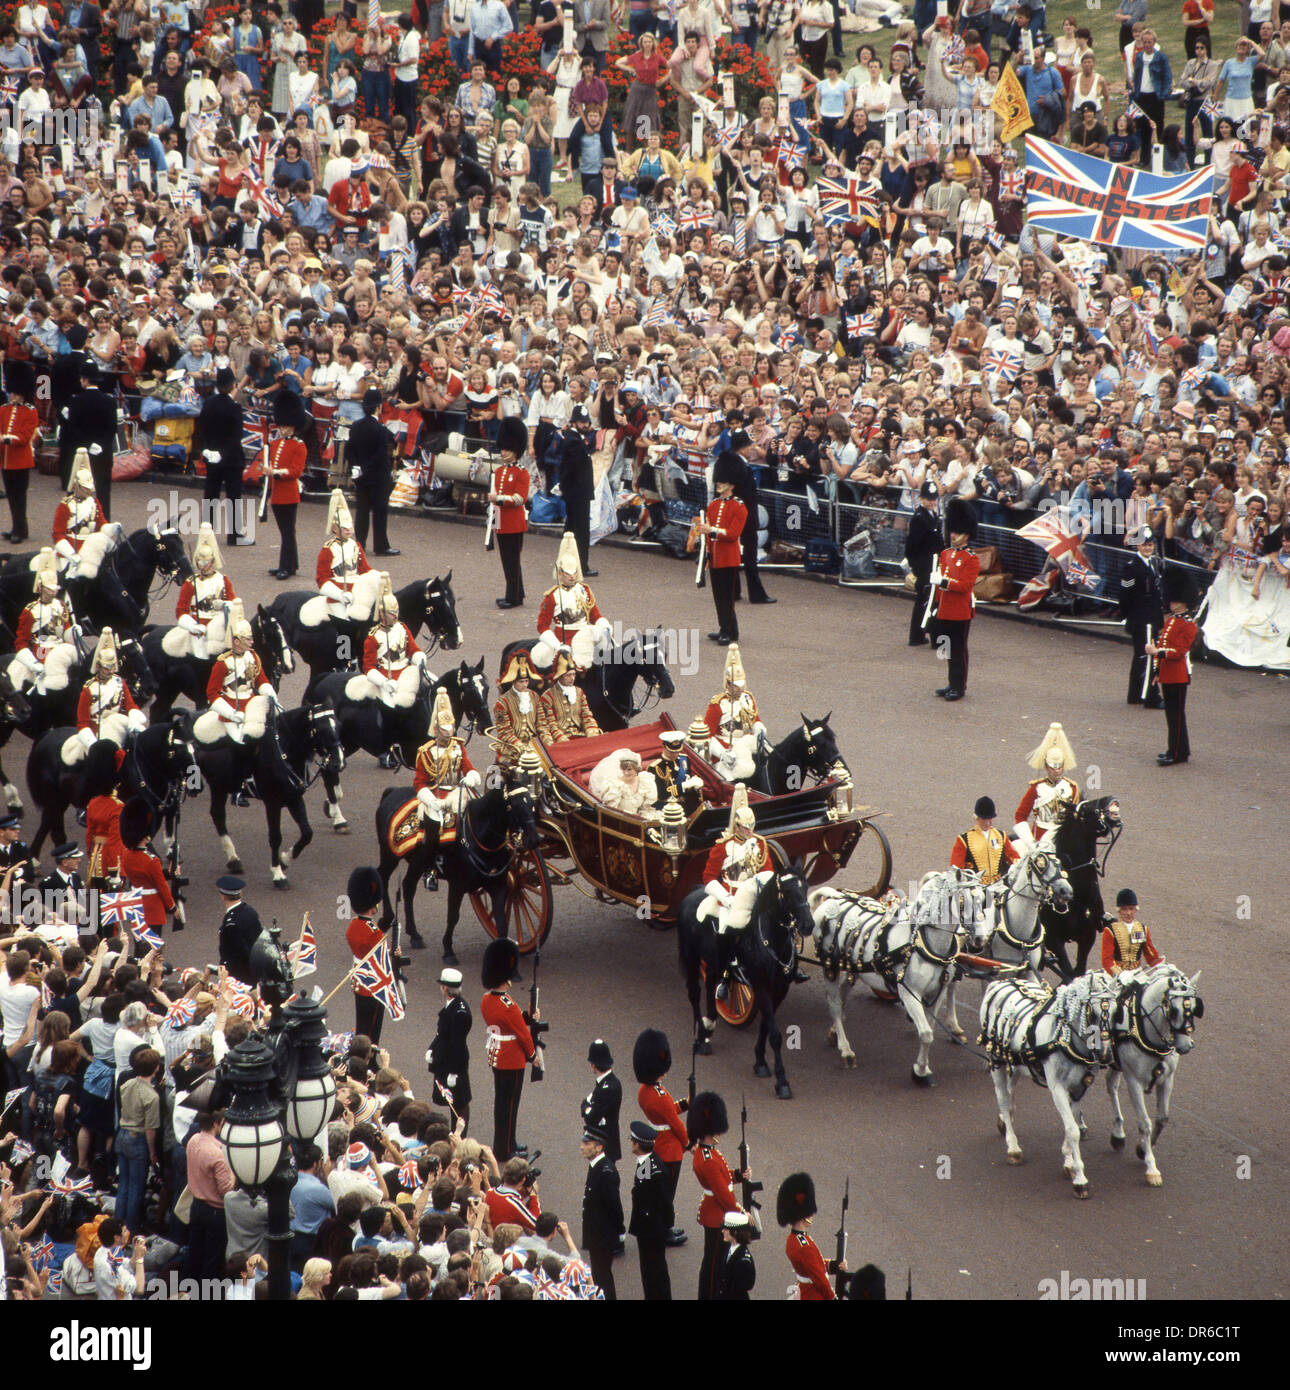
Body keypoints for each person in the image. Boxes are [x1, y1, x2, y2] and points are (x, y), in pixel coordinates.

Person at [700, 784, 773, 999]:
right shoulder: (723, 846)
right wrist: (725, 897)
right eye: (745, 827)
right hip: (729, 896)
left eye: (752, 826)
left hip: (753, 895)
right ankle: (724, 975)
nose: (750, 831)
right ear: (737, 826)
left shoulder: (759, 843)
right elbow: (708, 877)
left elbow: (766, 871)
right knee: (726, 932)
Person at [195, 601, 280, 775]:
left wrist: (270, 693)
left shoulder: (253, 656)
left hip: (251, 704)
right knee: (241, 744)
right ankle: (239, 785)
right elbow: (212, 694)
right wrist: (231, 713)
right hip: (230, 708)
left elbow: (261, 680)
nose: (251, 642)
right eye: (247, 639)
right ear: (236, 641)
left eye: (251, 638)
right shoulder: (222, 663)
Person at [413, 689, 480, 891]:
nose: (449, 731)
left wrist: (470, 776)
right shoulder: (426, 752)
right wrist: (431, 800)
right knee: (434, 825)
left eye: (451, 727)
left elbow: (468, 767)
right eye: (444, 728)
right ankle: (430, 869)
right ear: (436, 728)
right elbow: (419, 783)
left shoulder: (459, 748)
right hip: (434, 795)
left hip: (456, 791)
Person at [480, 936, 537, 1161]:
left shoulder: (488, 1000)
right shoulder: (508, 1005)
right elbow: (522, 1034)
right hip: (512, 1058)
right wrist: (533, 1056)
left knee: (503, 1104)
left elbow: (512, 1023)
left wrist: (527, 1017)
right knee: (510, 1105)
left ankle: (508, 1142)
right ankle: (504, 1150)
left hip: (497, 1055)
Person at [632, 1027, 688, 1248]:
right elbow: (676, 1124)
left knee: (657, 1192)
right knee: (666, 1195)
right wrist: (689, 1143)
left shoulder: (645, 1092)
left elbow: (667, 1113)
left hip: (657, 1146)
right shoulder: (661, 1095)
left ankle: (657, 1226)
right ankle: (664, 1230)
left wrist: (685, 1103)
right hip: (671, 1150)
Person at [689, 1090, 743, 1301]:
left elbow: (722, 1179)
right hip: (717, 1215)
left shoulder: (707, 1152)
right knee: (714, 1266)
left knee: (715, 1262)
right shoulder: (708, 1158)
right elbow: (722, 1194)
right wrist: (741, 1213)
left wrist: (737, 1175)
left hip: (714, 1211)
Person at [533, 531, 612, 673]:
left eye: (574, 573)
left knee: (612, 653)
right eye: (568, 574)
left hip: (587, 636)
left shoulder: (584, 590)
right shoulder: (552, 596)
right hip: (565, 641)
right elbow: (542, 626)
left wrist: (604, 625)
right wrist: (558, 646)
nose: (572, 577)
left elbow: (594, 615)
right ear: (560, 573)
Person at [66, 628, 146, 766]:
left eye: (112, 667)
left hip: (118, 725)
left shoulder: (119, 681)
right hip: (98, 731)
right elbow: (83, 722)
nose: (110, 671)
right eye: (106, 668)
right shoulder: (88, 688)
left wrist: (133, 719)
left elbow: (131, 705)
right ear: (98, 666)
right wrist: (93, 744)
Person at [929, 496, 980, 702]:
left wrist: (943, 583)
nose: (953, 535)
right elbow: (941, 587)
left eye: (957, 532)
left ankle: (959, 687)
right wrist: (936, 604)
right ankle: (951, 683)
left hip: (960, 612)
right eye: (952, 531)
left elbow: (965, 586)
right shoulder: (946, 554)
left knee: (959, 651)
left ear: (966, 535)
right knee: (948, 650)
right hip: (945, 610)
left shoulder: (971, 558)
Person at [1146, 575, 1198, 766]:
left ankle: (1176, 753)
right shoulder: (1170, 621)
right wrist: (1156, 670)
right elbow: (1163, 644)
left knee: (1175, 716)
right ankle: (1179, 751)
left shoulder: (1188, 625)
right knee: (1172, 715)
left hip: (1178, 675)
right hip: (1168, 674)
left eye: (1175, 601)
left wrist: (1157, 651)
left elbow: (1179, 652)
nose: (1172, 603)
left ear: (1184, 603)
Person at [193, 366, 248, 546]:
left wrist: (207, 450)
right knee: (233, 496)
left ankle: (206, 532)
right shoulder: (234, 407)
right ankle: (234, 535)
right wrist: (222, 453)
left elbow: (201, 430)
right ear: (232, 384)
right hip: (231, 459)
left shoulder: (208, 403)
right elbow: (236, 436)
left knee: (211, 494)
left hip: (212, 456)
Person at [8, 561, 80, 698]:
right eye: (49, 589)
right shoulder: (30, 611)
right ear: (41, 588)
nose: (53, 592)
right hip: (40, 652)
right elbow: (21, 642)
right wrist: (33, 663)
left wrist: (73, 632)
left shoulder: (61, 605)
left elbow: (65, 630)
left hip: (61, 650)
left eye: (55, 589)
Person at [698, 450, 748, 645]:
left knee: (727, 597)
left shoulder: (739, 507)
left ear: (731, 484)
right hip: (716, 558)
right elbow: (708, 533)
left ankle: (729, 631)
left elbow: (733, 534)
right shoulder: (713, 504)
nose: (718, 483)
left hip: (729, 558)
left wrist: (711, 530)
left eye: (722, 481)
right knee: (718, 597)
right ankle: (725, 629)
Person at [348, 388, 400, 557]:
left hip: (361, 477)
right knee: (379, 512)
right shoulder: (380, 429)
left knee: (362, 511)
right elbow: (380, 455)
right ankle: (381, 545)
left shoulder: (356, 426)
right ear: (378, 407)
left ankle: (360, 544)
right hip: (378, 477)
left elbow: (350, 449)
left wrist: (356, 467)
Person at [701, 644, 766, 782]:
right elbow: (708, 736)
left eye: (742, 684)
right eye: (736, 685)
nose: (740, 688)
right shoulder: (718, 704)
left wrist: (759, 728)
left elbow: (755, 719)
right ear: (728, 684)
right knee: (727, 777)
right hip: (727, 748)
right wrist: (722, 754)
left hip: (747, 743)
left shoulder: (748, 698)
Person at [172, 523, 236, 661]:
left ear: (212, 561)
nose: (203, 567)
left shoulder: (223, 580)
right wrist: (193, 626)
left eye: (206, 562)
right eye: (200, 563)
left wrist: (225, 605)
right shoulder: (190, 583)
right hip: (199, 627)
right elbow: (181, 611)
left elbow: (233, 604)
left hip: (220, 625)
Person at [1119, 525, 1166, 709]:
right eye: (1144, 545)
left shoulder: (1153, 563)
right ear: (1137, 546)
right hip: (1141, 619)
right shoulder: (1132, 567)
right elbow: (1125, 595)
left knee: (1140, 657)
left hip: (1151, 617)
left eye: (1150, 544)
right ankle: (1151, 697)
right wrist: (1127, 616)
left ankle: (1136, 694)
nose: (1147, 548)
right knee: (1147, 658)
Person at [118, 797, 180, 938]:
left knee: (139, 945)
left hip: (136, 904)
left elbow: (146, 876)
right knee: (154, 949)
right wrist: (172, 907)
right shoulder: (151, 860)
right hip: (152, 908)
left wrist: (169, 873)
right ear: (146, 837)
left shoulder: (126, 855)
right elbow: (161, 885)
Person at [361, 580, 426, 711]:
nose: (395, 615)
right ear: (382, 613)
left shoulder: (402, 628)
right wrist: (383, 682)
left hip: (406, 670)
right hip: (385, 675)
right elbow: (368, 667)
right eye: (391, 612)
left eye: (396, 610)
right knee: (390, 707)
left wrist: (419, 657)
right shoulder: (373, 637)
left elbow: (413, 649)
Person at [263, 391, 308, 580]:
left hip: (289, 495)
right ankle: (292, 564)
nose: (283, 429)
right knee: (285, 531)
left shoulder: (299, 446)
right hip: (277, 495)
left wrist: (275, 473)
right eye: (282, 425)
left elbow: (296, 471)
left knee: (287, 533)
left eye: (286, 426)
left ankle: (285, 567)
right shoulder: (274, 444)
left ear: (294, 426)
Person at [778, 1171, 843, 1299]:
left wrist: (834, 1265)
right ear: (803, 1215)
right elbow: (820, 1279)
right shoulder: (804, 1246)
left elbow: (813, 1264)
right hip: (813, 1294)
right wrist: (833, 1298)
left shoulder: (793, 1239)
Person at [346, 865, 393, 1044]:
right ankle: (370, 1060)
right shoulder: (374, 932)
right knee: (373, 1028)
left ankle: (361, 1053)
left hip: (358, 981)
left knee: (362, 1025)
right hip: (372, 985)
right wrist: (394, 954)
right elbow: (383, 961)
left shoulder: (352, 926)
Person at [61, 365, 118, 511]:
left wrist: (88, 444)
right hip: (103, 452)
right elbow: (112, 429)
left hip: (82, 452)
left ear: (86, 380)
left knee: (80, 491)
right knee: (103, 491)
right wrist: (100, 445)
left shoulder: (75, 401)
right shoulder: (110, 401)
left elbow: (73, 430)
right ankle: (104, 522)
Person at [628, 1119, 672, 1300]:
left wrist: (662, 1227)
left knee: (654, 1271)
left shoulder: (653, 1168)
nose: (630, 1143)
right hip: (648, 1227)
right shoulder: (646, 1163)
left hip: (652, 1229)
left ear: (638, 1144)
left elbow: (663, 1201)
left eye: (632, 1141)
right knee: (650, 1270)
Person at [1013, 722, 1080, 841]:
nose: (1057, 771)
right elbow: (1020, 815)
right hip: (1040, 838)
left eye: (1059, 767)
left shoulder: (1072, 788)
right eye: (1053, 768)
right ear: (1046, 768)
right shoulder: (1036, 788)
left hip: (1063, 838)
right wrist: (1029, 841)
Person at [490, 416, 530, 610]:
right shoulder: (499, 472)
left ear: (515, 450)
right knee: (507, 561)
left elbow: (520, 499)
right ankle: (517, 593)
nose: (503, 451)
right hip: (501, 523)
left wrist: (499, 498)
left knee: (512, 562)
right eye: (502, 448)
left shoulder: (522, 472)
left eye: (507, 449)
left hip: (514, 524)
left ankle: (512, 597)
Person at [316, 488, 372, 622]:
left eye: (350, 527)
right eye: (344, 528)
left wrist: (378, 578)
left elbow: (364, 569)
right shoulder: (328, 550)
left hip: (357, 592)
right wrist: (340, 595)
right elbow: (321, 579)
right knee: (345, 626)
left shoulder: (355, 545)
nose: (349, 531)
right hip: (338, 595)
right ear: (335, 529)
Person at [580, 1122, 622, 1299]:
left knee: (603, 1277)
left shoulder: (605, 1172)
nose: (582, 1147)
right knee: (599, 1275)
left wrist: (619, 1232)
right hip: (596, 1232)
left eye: (587, 1144)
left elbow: (614, 1206)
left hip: (603, 1235)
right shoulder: (596, 1165)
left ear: (599, 1147)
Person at [427, 965, 471, 1128]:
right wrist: (432, 1048)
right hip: (446, 1057)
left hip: (454, 1063)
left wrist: (454, 1071)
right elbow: (442, 1034)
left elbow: (458, 1044)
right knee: (452, 1099)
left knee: (460, 1102)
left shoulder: (459, 1012)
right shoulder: (451, 1005)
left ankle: (459, 1134)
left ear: (445, 988)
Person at [1, 358, 39, 542]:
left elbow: (24, 437)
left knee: (19, 498)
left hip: (21, 461)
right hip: (6, 461)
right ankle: (15, 528)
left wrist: (6, 439)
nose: (12, 396)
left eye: (15, 393)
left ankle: (21, 531)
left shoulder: (31, 411)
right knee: (11, 497)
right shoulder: (4, 410)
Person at [559, 406, 598, 577]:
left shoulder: (575, 438)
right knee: (580, 531)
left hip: (576, 493)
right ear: (574, 422)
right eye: (581, 422)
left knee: (572, 530)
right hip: (577, 494)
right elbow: (572, 471)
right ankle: (581, 564)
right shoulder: (574, 441)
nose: (585, 424)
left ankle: (568, 562)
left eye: (586, 421)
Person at [51, 464, 108, 578]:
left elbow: (101, 523)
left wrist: (111, 528)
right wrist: (70, 554)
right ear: (77, 486)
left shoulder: (94, 502)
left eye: (90, 488)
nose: (89, 491)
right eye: (85, 488)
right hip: (71, 548)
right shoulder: (65, 506)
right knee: (68, 578)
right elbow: (58, 535)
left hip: (90, 547)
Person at [950, 796, 1019, 886]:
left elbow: (1014, 858)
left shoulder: (1001, 836)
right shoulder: (963, 840)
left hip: (999, 885)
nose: (987, 823)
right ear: (977, 818)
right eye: (983, 819)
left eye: (989, 819)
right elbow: (956, 869)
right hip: (975, 887)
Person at [904, 481, 941, 647]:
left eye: (934, 498)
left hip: (932, 564)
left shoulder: (932, 515)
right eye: (928, 499)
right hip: (924, 565)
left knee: (927, 600)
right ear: (921, 498)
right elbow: (912, 546)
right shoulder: (920, 518)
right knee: (927, 600)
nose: (932, 502)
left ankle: (918, 635)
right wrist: (917, 567)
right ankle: (930, 636)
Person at [538, 652, 602, 742]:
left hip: (581, 735)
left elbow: (586, 716)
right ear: (560, 677)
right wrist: (562, 740)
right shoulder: (548, 697)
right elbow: (550, 724)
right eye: (568, 675)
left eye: (574, 674)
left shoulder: (579, 692)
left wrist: (592, 732)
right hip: (560, 739)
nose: (572, 678)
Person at [492, 650, 540, 767]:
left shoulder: (534, 696)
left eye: (527, 681)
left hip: (534, 744)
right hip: (511, 747)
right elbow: (505, 732)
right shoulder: (502, 703)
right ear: (514, 681)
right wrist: (519, 745)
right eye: (521, 682)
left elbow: (541, 723)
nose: (524, 685)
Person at [1101, 887, 1162, 975]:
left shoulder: (1142, 930)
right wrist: (1120, 975)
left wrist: (1162, 967)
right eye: (1124, 909)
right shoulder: (1110, 931)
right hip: (1116, 977)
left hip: (1136, 974)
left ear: (1135, 909)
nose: (1128, 913)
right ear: (1119, 911)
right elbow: (1107, 960)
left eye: (1131, 908)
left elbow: (1151, 956)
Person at [580, 1038, 622, 1166]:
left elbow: (590, 1117)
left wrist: (586, 1107)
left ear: (593, 1065)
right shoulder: (609, 1082)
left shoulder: (606, 1088)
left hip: (604, 1142)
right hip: (604, 1140)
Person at [216, 875, 262, 985]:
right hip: (254, 971)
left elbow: (239, 952)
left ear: (223, 896)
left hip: (239, 976)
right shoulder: (250, 911)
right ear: (240, 894)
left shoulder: (231, 924)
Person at [647, 729, 703, 810]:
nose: (675, 754)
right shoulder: (655, 767)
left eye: (677, 751)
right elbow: (661, 794)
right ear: (664, 747)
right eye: (671, 751)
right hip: (667, 808)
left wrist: (694, 785)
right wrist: (684, 785)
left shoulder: (684, 759)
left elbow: (688, 779)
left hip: (685, 805)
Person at [717, 1210, 757, 1299]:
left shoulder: (743, 1261)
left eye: (726, 1229)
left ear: (735, 1232)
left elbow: (744, 1286)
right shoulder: (729, 1249)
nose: (722, 1231)